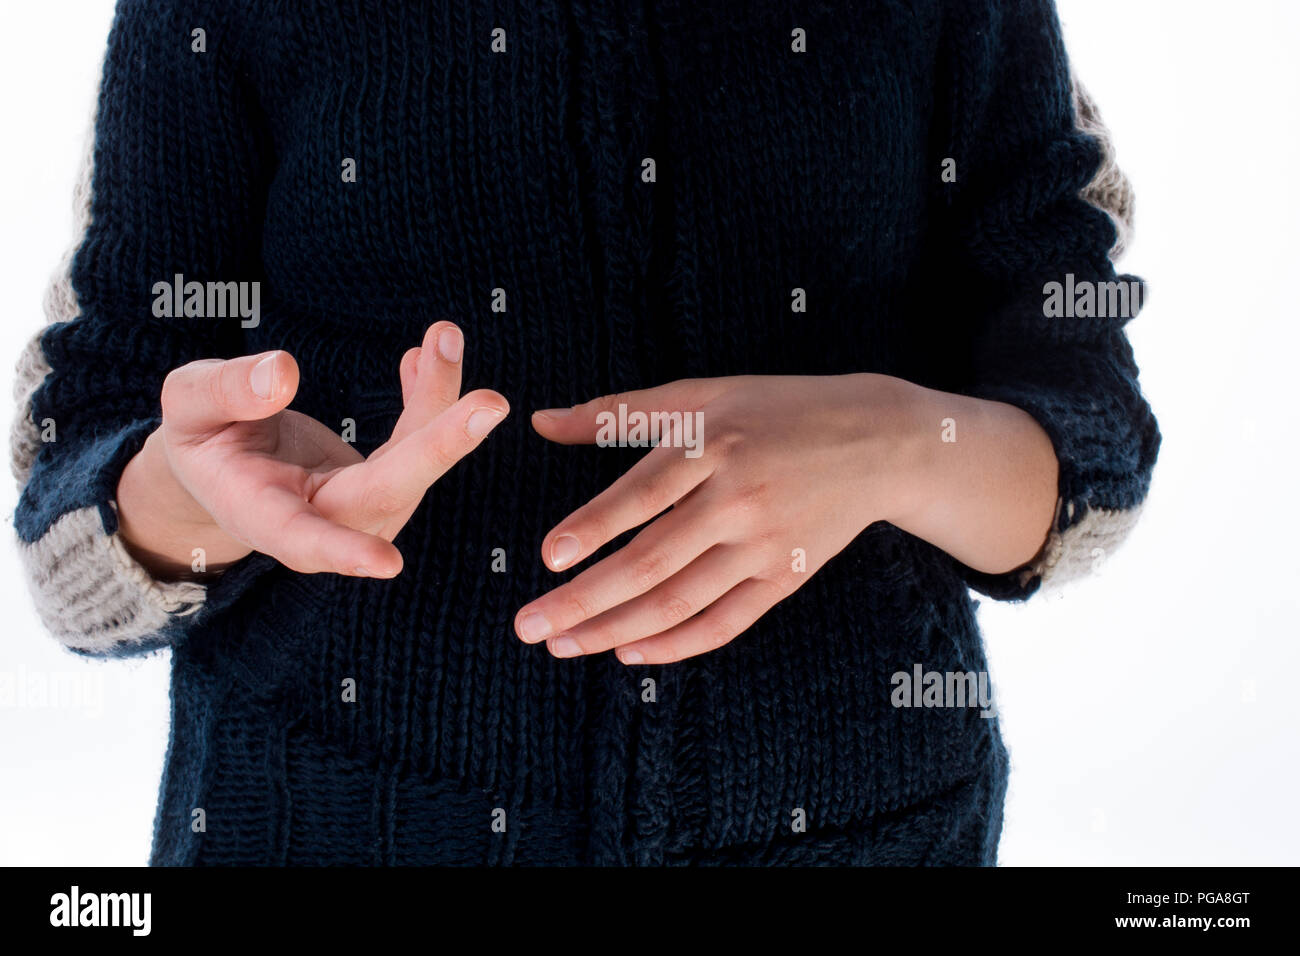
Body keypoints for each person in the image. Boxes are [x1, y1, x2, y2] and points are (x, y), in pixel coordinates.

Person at [11, 0, 1160, 865]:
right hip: (319, 819)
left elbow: (1090, 438)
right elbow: (77, 476)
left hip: (872, 826)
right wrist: (189, 491)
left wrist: (899, 441)